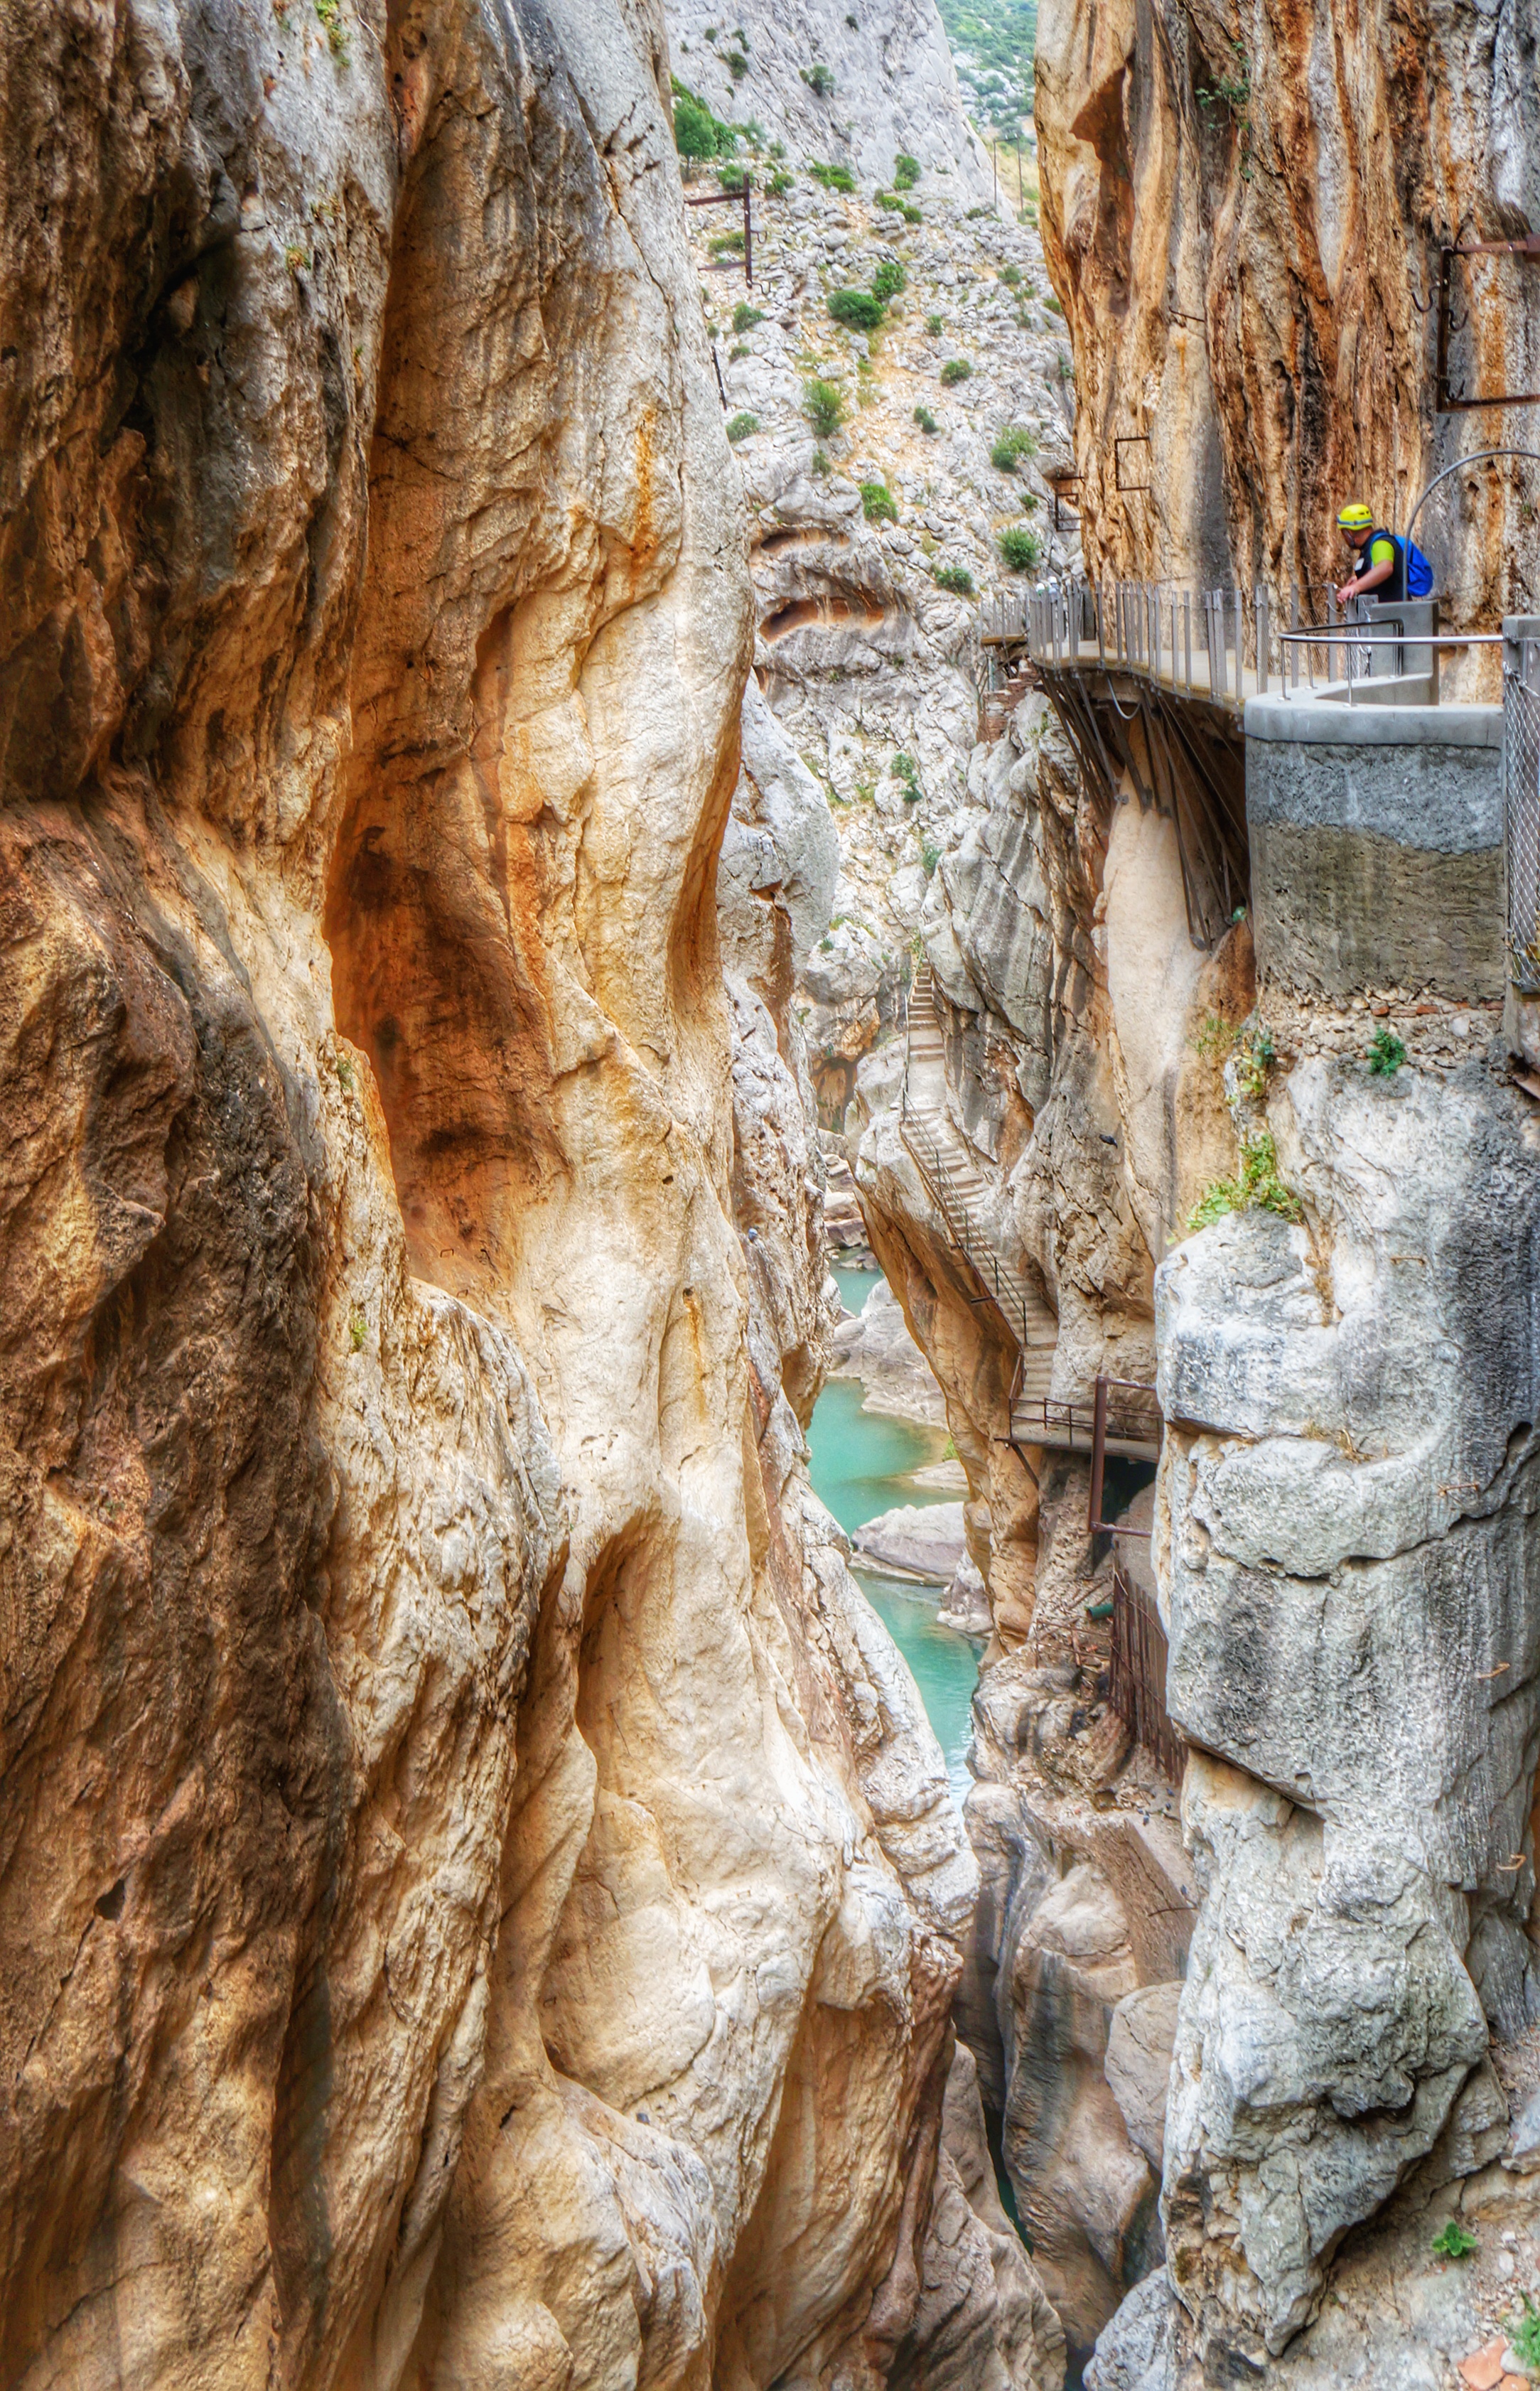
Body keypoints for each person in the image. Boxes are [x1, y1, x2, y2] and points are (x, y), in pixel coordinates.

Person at [1334, 502, 1404, 606]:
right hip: (1380, 616)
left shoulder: (1380, 544)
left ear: (1350, 533)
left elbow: (1386, 568)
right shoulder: (1368, 548)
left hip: (1392, 616)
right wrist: (1361, 578)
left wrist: (1356, 587)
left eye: (1344, 533)